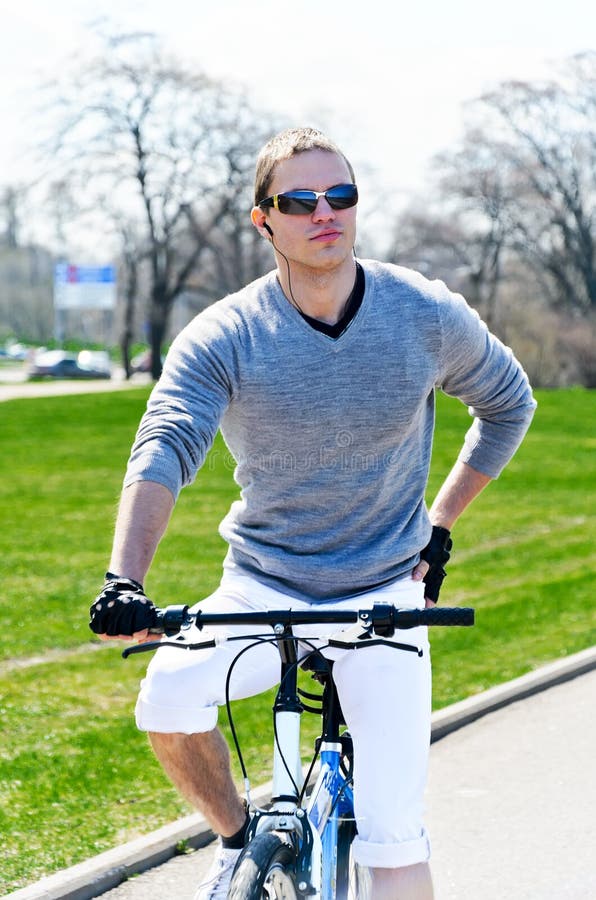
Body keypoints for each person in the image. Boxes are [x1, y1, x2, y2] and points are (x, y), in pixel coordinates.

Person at [90, 127, 536, 899]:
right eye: (299, 200)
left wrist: (439, 525)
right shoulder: (228, 333)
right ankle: (238, 841)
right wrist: (123, 578)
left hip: (384, 593)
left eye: (341, 195)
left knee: (395, 838)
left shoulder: (423, 314)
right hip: (264, 584)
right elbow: (165, 444)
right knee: (166, 699)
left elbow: (509, 404)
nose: (324, 212)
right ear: (264, 220)